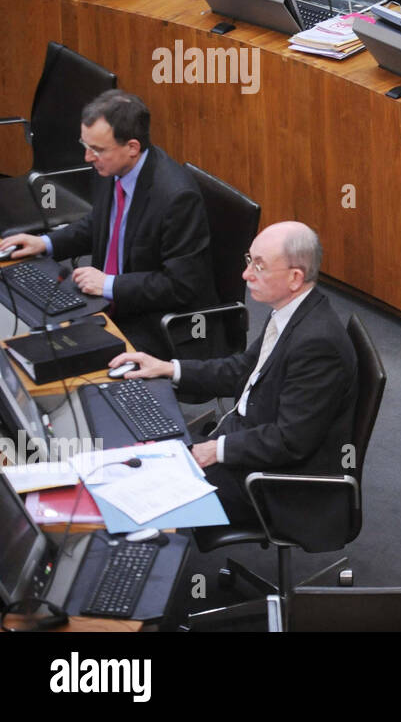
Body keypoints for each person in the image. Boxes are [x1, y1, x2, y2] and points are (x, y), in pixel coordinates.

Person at [108, 222, 358, 527]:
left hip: (273, 484)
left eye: (260, 267)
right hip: (244, 442)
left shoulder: (318, 344)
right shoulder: (289, 310)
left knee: (138, 498)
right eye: (249, 260)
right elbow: (241, 369)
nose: (246, 274)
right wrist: (166, 367)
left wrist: (216, 449)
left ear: (295, 278)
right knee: (132, 463)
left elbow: (290, 441)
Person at [0, 91, 216, 361]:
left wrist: (110, 284)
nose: (88, 157)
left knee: (50, 357)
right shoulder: (109, 167)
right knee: (21, 333)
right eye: (85, 145)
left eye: (97, 149)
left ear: (132, 147)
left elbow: (181, 286)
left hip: (152, 321)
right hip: (107, 300)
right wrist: (45, 243)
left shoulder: (176, 197)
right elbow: (100, 224)